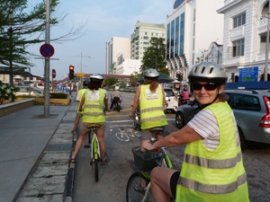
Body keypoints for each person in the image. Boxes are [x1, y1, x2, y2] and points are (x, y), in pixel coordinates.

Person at [142, 62, 250, 202]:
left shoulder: (209, 115)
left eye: (210, 86)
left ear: (220, 88)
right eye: (197, 86)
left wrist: (153, 145)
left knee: (156, 174)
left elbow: (175, 138)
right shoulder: (225, 109)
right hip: (233, 192)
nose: (202, 91)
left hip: (205, 193)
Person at [71, 74, 109, 163]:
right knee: (101, 139)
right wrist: (106, 109)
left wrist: (82, 111)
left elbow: (80, 107)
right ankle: (103, 158)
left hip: (87, 121)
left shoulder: (85, 92)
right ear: (101, 83)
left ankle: (73, 157)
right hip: (99, 120)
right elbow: (106, 105)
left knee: (81, 137)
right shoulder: (103, 92)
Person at [130, 68, 168, 139]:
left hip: (147, 121)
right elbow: (164, 103)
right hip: (161, 120)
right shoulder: (160, 87)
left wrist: (131, 114)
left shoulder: (140, 88)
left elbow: (135, 104)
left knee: (145, 140)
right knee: (159, 137)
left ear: (145, 79)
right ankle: (162, 148)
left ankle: (144, 149)